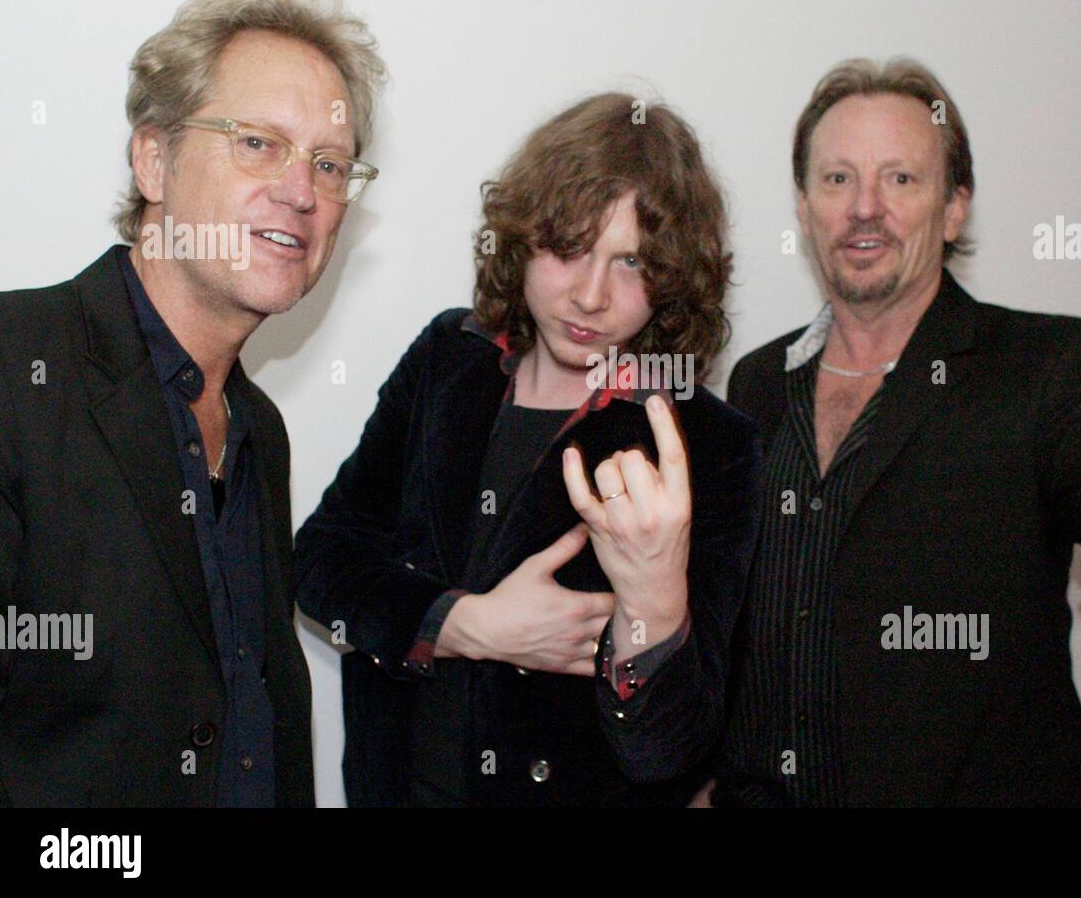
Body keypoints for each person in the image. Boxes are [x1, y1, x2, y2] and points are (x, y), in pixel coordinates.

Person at [711, 58, 1081, 807]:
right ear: (803, 209)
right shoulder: (756, 383)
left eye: (900, 179)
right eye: (837, 179)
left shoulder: (1045, 366)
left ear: (956, 206)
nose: (864, 207)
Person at [296, 93, 760, 806]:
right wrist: (465, 625)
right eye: (569, 247)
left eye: (631, 261)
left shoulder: (709, 444)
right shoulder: (449, 359)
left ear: (672, 281)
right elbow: (321, 563)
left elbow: (671, 751)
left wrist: (655, 597)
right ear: (521, 240)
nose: (591, 294)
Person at [0, 0, 387, 806]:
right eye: (257, 143)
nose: (302, 191)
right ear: (154, 158)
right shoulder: (9, 367)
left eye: (330, 163)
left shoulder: (258, 432)